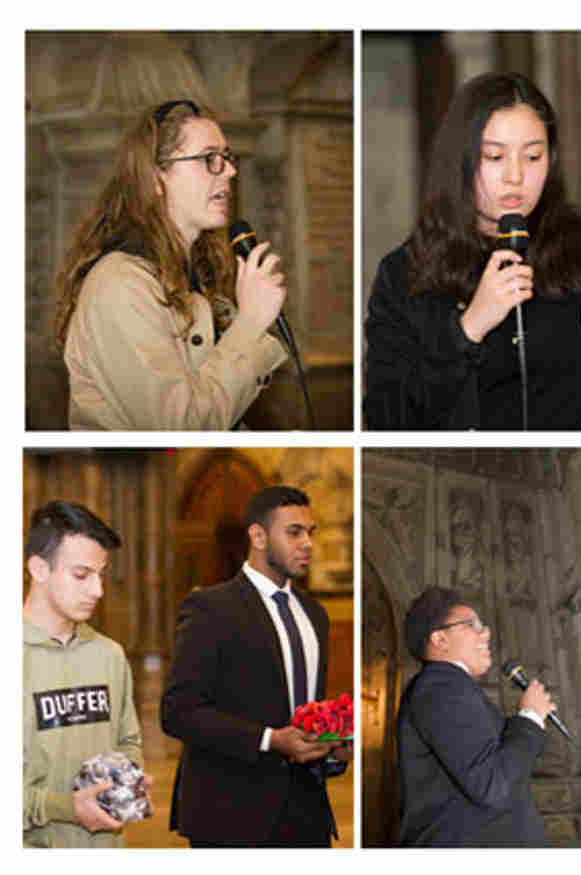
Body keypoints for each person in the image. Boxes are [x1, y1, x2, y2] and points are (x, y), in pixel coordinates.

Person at [364, 72, 581, 430]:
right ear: (461, 161)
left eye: (532, 157)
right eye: (495, 157)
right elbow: (386, 420)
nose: (515, 176)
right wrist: (469, 328)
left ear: (550, 161)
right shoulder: (404, 274)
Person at [55, 99, 287, 430]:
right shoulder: (120, 286)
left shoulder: (192, 276)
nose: (231, 171)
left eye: (227, 157)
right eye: (209, 159)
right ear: (156, 178)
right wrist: (249, 322)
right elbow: (180, 428)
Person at [161, 486, 348, 847]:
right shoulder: (210, 608)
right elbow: (178, 712)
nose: (307, 543)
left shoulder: (315, 615)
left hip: (307, 815)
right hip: (231, 815)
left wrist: (334, 748)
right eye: (294, 532)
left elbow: (307, 710)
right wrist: (270, 740)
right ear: (258, 536)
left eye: (311, 532)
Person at [23, 501, 145, 848]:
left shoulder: (109, 654)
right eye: (81, 575)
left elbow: (128, 743)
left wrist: (125, 781)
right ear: (39, 568)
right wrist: (67, 808)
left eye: (100, 574)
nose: (98, 591)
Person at [396, 587, 556, 846]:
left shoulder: (451, 687)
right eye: (472, 625)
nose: (487, 633)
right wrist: (529, 718)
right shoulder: (441, 687)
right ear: (440, 639)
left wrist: (530, 722)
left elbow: (501, 766)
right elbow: (493, 785)